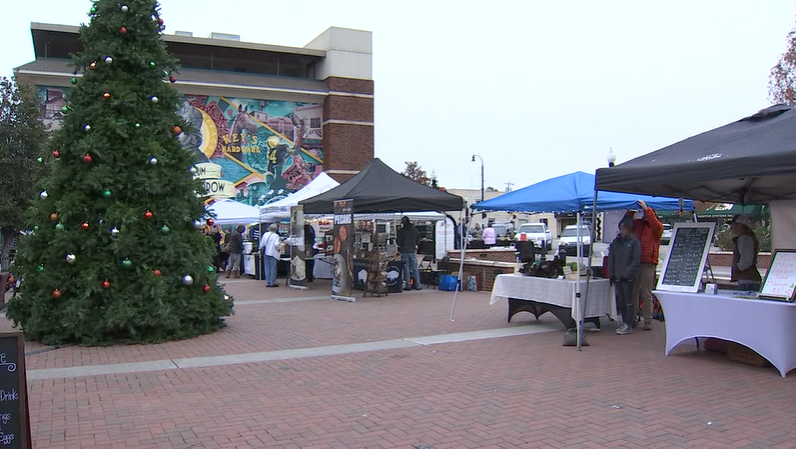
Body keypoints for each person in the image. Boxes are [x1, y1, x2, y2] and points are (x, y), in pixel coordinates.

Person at [623, 199, 663, 330]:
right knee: (633, 293)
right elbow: (625, 224)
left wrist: (647, 210)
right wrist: (631, 211)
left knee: (646, 293)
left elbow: (655, 224)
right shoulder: (637, 225)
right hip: (635, 262)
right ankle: (633, 318)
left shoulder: (656, 228)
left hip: (648, 263)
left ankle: (647, 320)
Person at [609, 218, 641, 335]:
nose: (621, 231)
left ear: (629, 229)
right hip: (617, 275)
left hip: (628, 277)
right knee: (621, 301)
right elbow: (611, 257)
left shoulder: (634, 242)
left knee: (629, 301)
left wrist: (627, 274)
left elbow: (635, 260)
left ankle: (629, 323)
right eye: (620, 228)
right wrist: (611, 273)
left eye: (624, 229)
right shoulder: (616, 242)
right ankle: (624, 322)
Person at [729, 214, 761, 292]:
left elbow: (746, 261)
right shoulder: (746, 237)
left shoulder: (745, 238)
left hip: (747, 281)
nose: (731, 228)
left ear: (740, 225)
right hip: (747, 280)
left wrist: (738, 268)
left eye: (733, 225)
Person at [396, 216, 422, 290]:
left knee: (406, 268)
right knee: (415, 268)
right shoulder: (415, 229)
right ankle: (418, 284)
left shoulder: (401, 230)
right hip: (412, 250)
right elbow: (418, 240)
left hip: (404, 250)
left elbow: (399, 241)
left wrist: (401, 245)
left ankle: (408, 285)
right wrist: (414, 245)